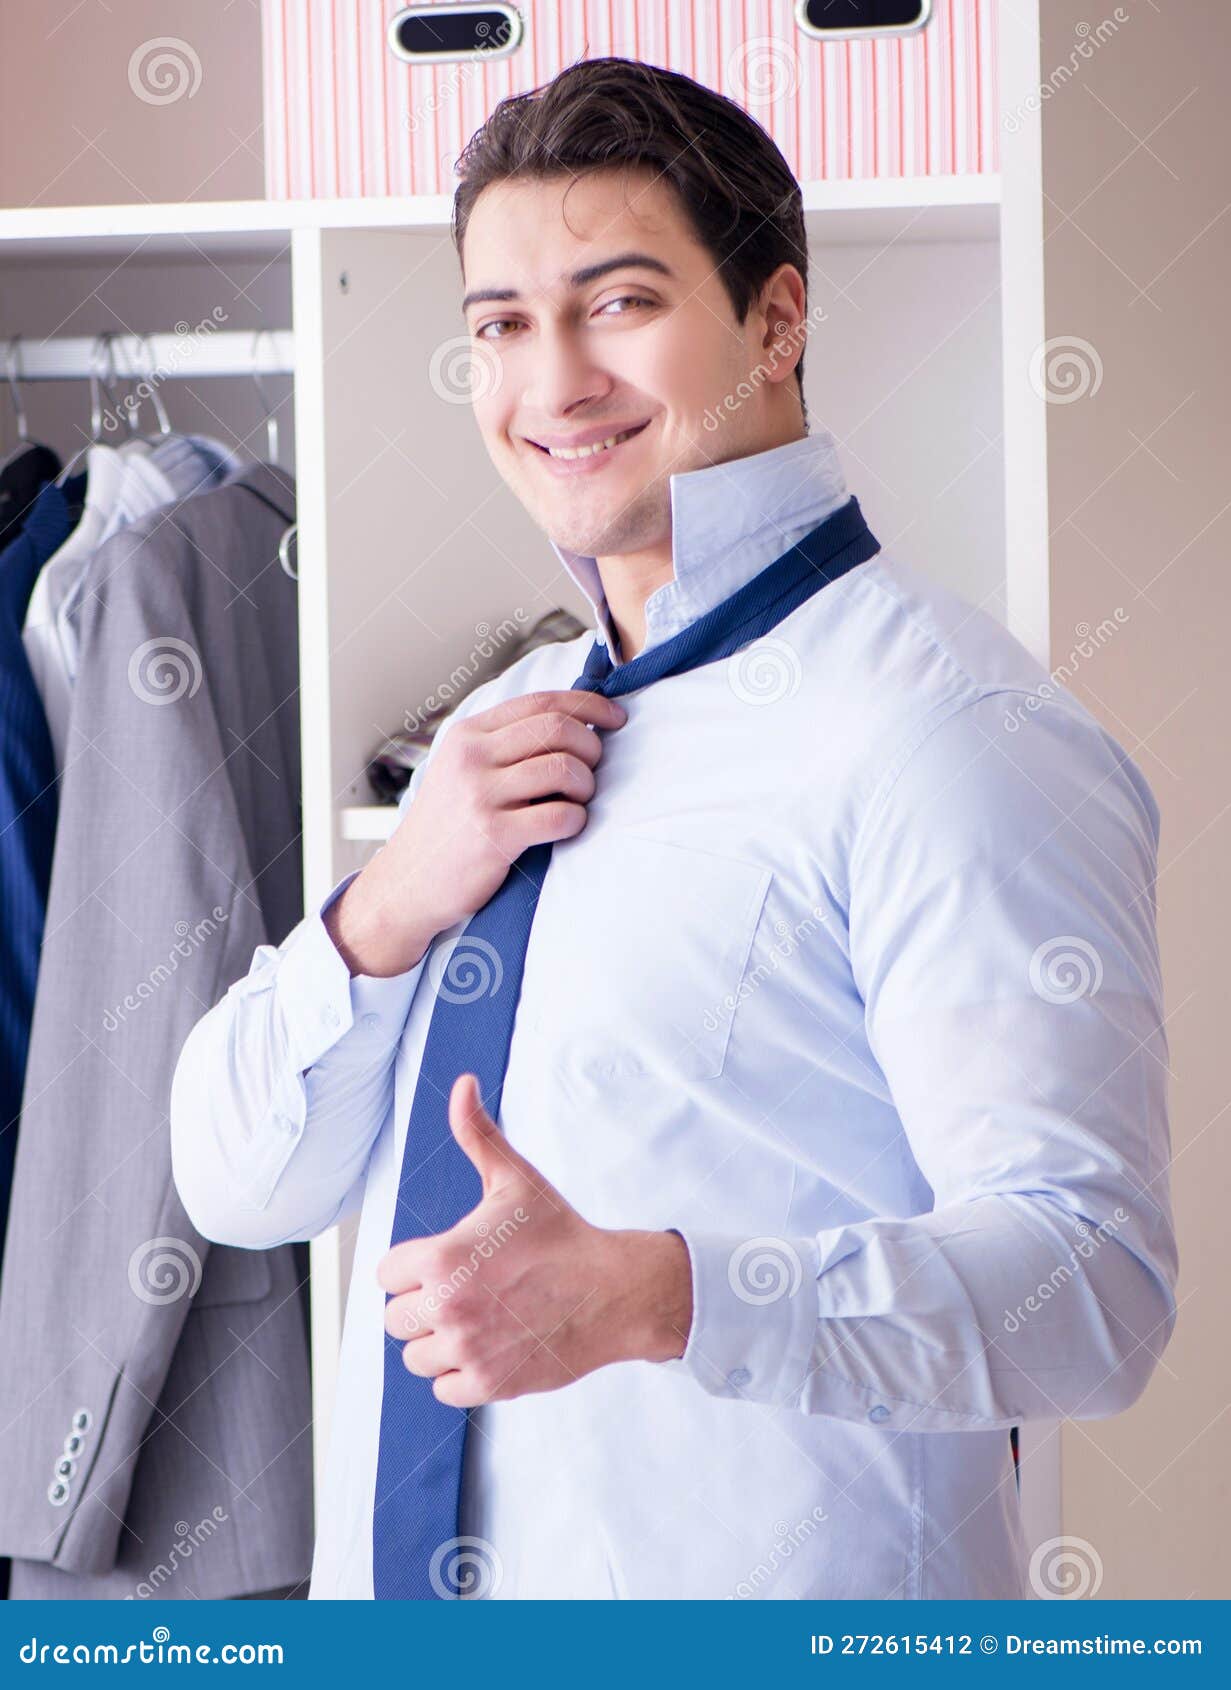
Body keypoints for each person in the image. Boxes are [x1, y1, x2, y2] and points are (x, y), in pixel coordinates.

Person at [170, 56, 1178, 1601]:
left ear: (776, 321)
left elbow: (1093, 1285)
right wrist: (386, 910)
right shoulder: (489, 744)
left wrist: (670, 1296)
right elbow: (240, 1186)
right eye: (501, 325)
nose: (551, 380)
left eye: (618, 301)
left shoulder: (942, 732)